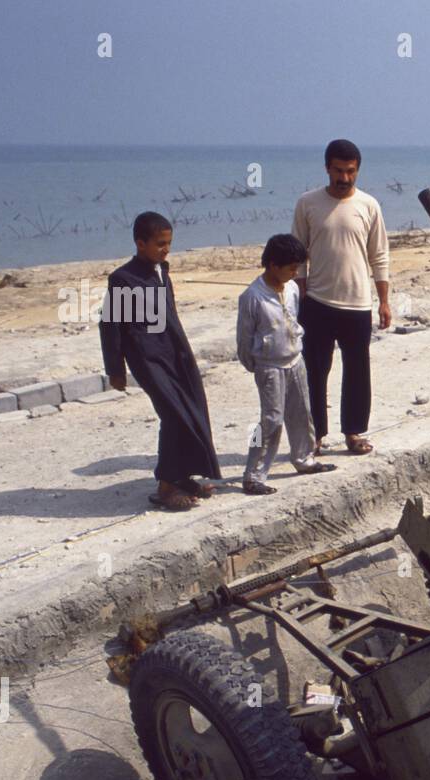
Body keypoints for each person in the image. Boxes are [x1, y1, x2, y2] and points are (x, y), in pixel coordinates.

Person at [99, 212, 221, 511]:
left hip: (175, 352)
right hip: (147, 359)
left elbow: (170, 315)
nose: (166, 249)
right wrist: (116, 369)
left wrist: (184, 353)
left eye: (169, 243)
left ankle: (183, 477)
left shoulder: (161, 271)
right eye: (160, 244)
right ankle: (166, 486)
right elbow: (111, 325)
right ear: (140, 243)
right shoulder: (122, 278)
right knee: (173, 415)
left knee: (193, 409)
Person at [291, 138, 392, 456]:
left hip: (358, 303)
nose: (344, 177)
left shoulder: (369, 205)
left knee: (357, 371)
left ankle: (354, 432)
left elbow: (380, 255)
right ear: (327, 168)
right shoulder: (307, 203)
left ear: (358, 170)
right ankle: (315, 436)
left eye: (350, 171)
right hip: (317, 302)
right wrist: (300, 289)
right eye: (338, 170)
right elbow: (297, 252)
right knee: (314, 371)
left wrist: (384, 301)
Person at [237, 234, 337, 494]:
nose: (295, 273)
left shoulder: (291, 288)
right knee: (270, 421)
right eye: (291, 268)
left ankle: (304, 458)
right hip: (269, 366)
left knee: (303, 412)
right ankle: (253, 474)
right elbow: (244, 339)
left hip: (295, 360)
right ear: (273, 265)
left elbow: (293, 318)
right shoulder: (252, 297)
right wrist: (257, 364)